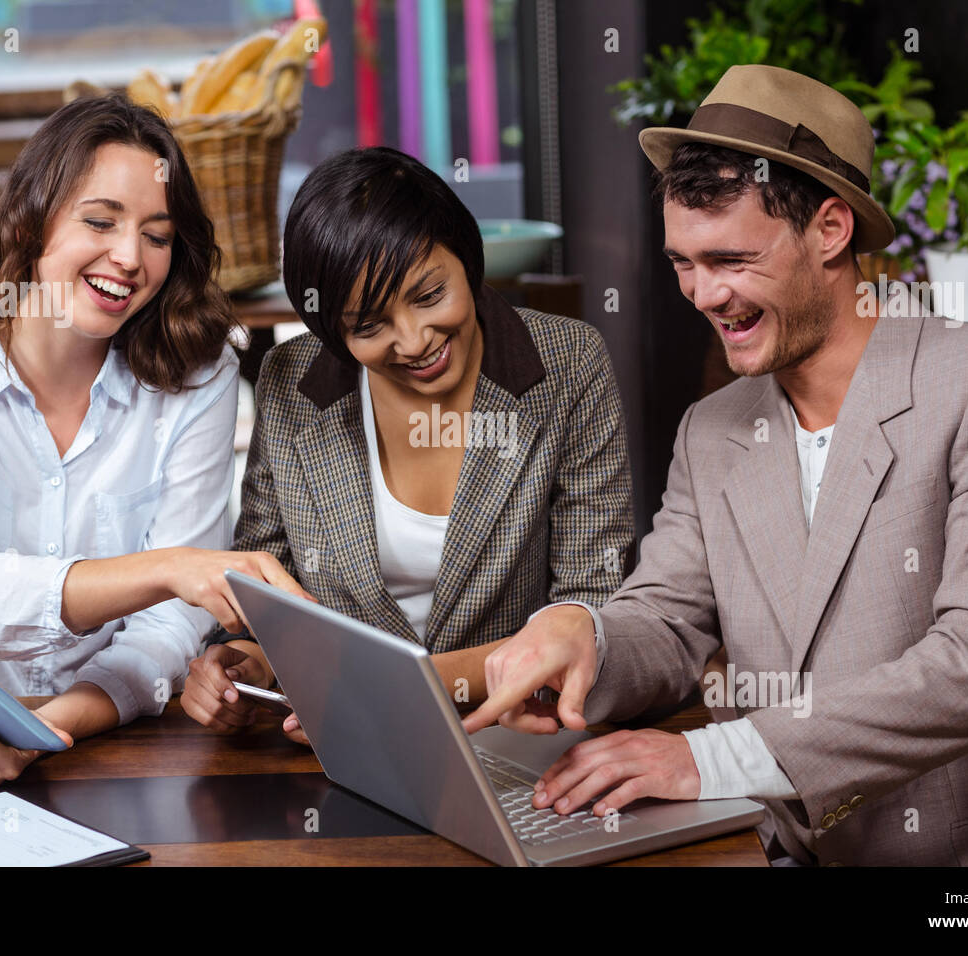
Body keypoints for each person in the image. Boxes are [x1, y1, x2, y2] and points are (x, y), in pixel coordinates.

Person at [464, 64, 968, 866]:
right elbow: (666, 618)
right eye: (682, 263)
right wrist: (584, 634)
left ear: (831, 231)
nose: (702, 294)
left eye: (731, 258)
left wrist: (705, 760)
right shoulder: (713, 428)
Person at [0, 92, 306, 786]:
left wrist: (45, 730)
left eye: (157, 236)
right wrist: (167, 568)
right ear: (33, 218)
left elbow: (170, 628)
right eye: (100, 221)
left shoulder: (198, 371)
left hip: (121, 733)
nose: (129, 257)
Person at [180, 146, 635, 742]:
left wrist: (382, 690)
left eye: (428, 296)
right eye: (368, 326)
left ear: (465, 256)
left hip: (520, 740)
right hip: (339, 751)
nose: (414, 340)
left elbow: (589, 612)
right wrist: (244, 661)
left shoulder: (568, 365)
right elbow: (270, 583)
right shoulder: (294, 381)